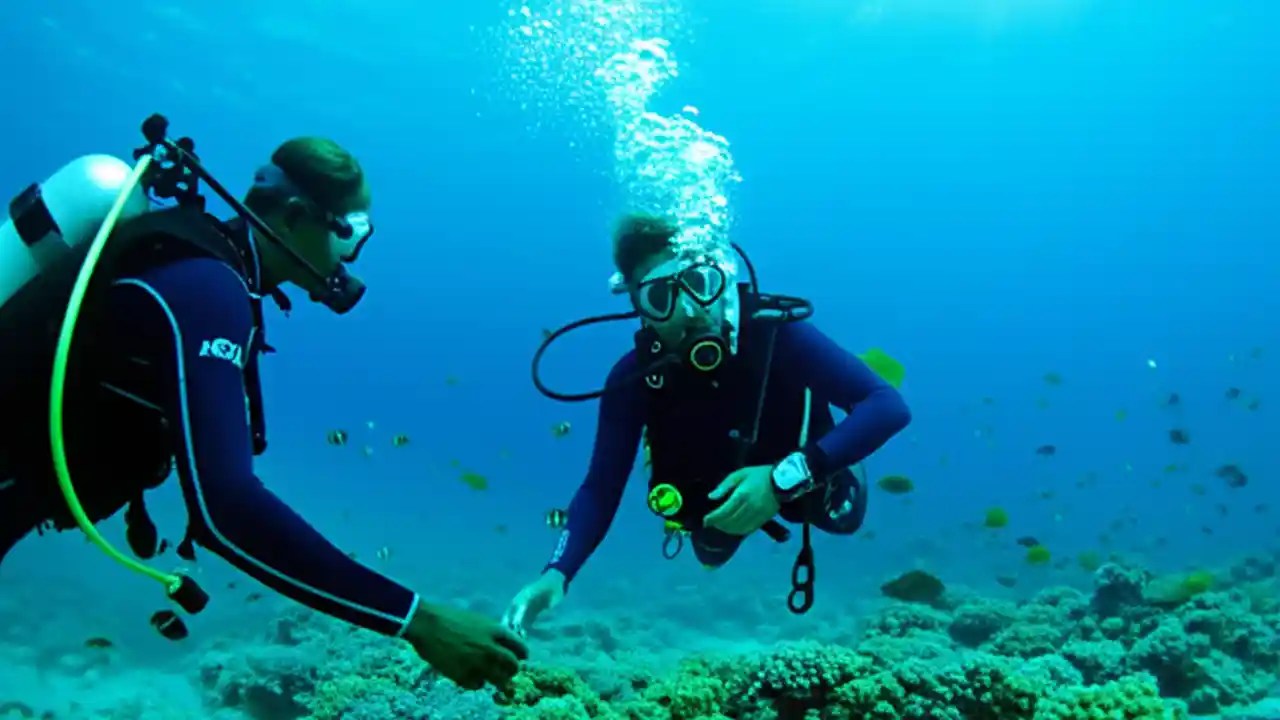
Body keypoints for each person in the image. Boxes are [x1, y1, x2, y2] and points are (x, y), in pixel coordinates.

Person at [0, 117, 525, 690]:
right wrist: (418, 620)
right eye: (350, 232)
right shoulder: (209, 289)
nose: (353, 255)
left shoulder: (209, 270)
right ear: (295, 217)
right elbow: (225, 509)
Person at [505, 213, 912, 634]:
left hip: (801, 473)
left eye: (699, 285)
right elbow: (600, 486)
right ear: (638, 306)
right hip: (714, 497)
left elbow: (887, 405)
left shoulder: (779, 337)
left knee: (843, 520)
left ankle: (837, 461)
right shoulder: (634, 379)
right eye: (661, 296)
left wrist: (780, 481)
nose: (689, 311)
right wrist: (557, 571)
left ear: (720, 276)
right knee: (709, 550)